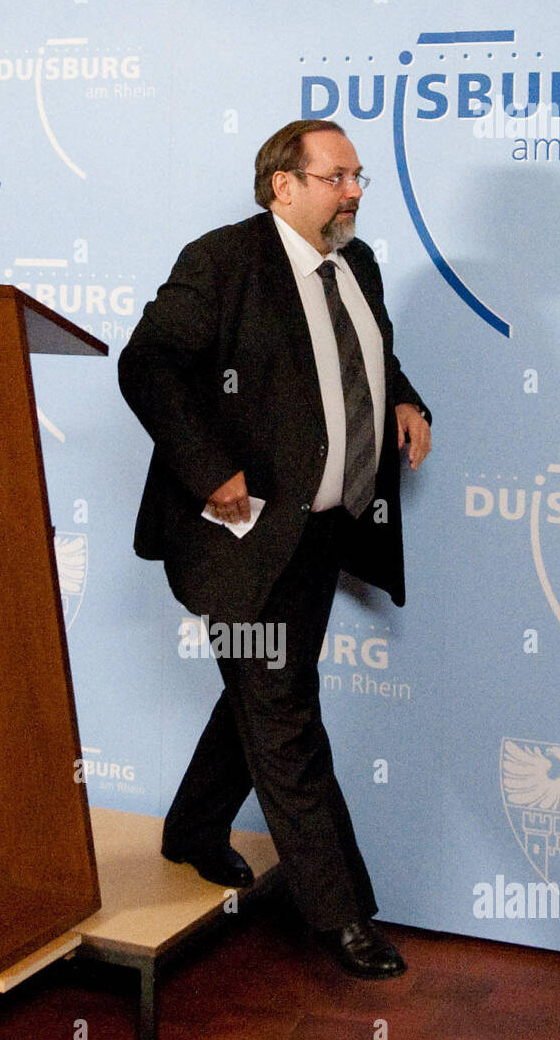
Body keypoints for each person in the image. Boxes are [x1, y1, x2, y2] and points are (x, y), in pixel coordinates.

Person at [118, 119, 431, 978]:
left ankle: (189, 828)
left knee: (263, 694)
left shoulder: (354, 265)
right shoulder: (221, 262)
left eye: (359, 176)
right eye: (338, 177)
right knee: (285, 713)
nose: (356, 191)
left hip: (318, 535)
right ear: (281, 185)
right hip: (238, 539)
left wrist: (405, 399)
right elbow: (147, 365)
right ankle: (340, 914)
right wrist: (210, 469)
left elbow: (366, 358)